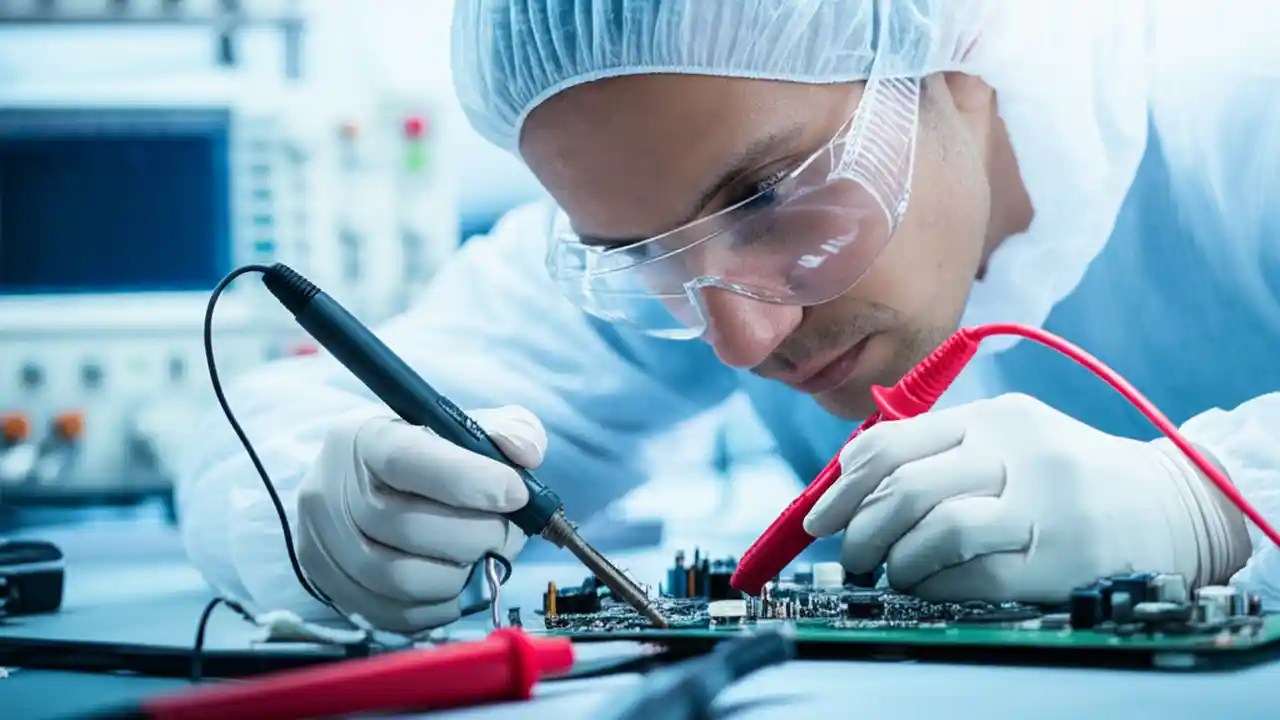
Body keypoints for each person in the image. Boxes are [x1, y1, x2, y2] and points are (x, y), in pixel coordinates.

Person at [178, 0, 1280, 633]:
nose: (740, 340)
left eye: (765, 199)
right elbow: (273, 432)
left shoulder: (1240, 106)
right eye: (635, 260)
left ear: (953, 56)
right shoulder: (677, 231)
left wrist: (1214, 501)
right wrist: (329, 522)